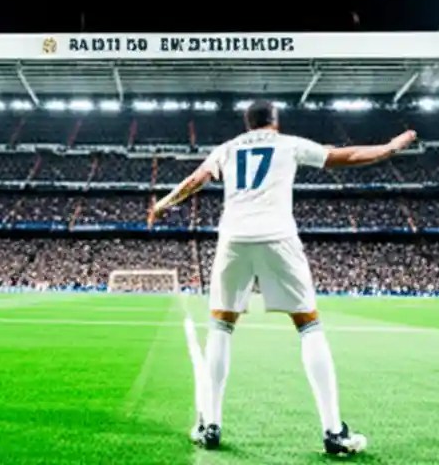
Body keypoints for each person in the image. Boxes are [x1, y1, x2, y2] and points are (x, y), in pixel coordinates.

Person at [148, 99, 416, 456]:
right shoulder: (288, 143)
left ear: (248, 124)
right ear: (274, 121)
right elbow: (346, 156)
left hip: (234, 239)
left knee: (221, 325)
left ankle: (210, 425)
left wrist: (163, 203)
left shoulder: (226, 149)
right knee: (308, 324)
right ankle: (334, 432)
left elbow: (195, 181)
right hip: (278, 236)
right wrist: (388, 148)